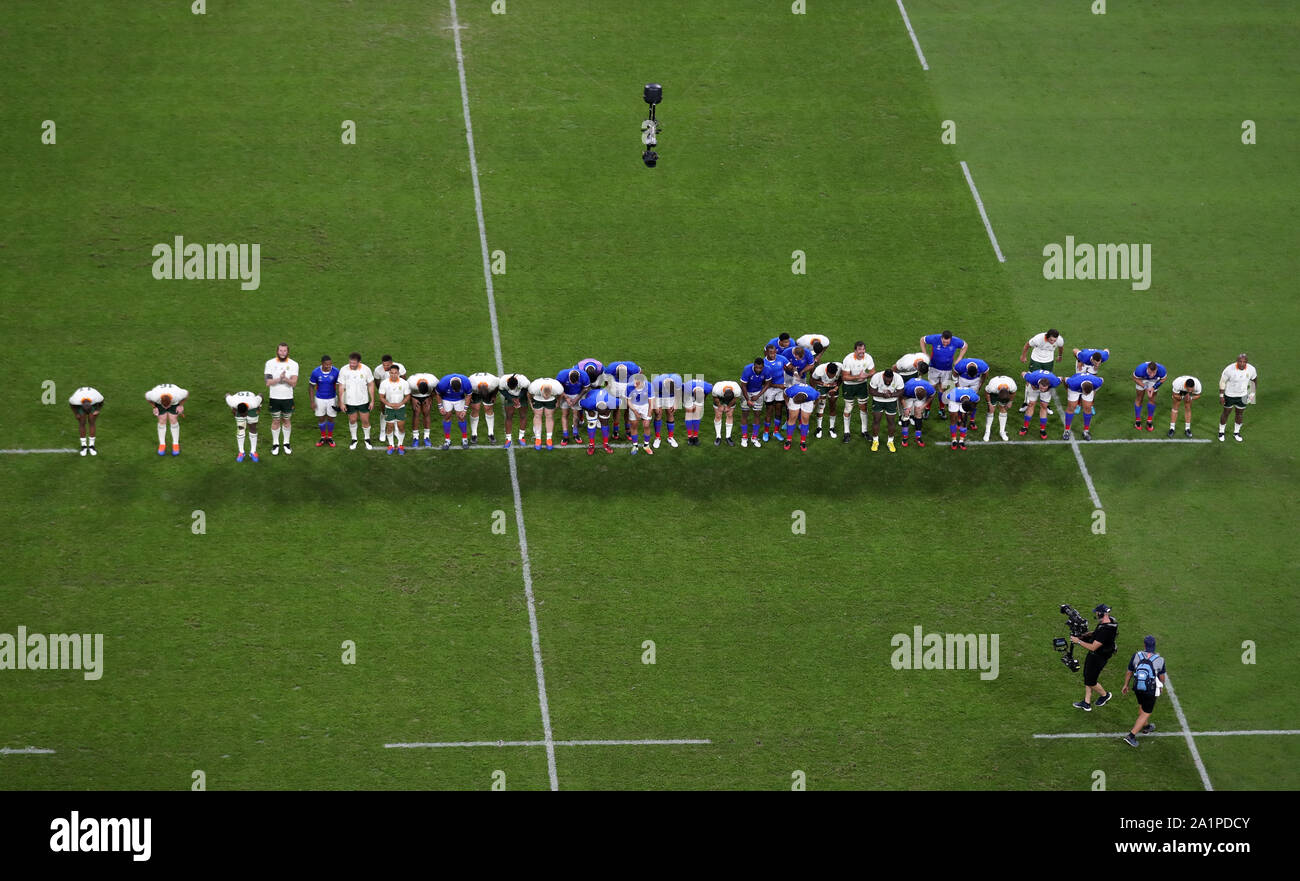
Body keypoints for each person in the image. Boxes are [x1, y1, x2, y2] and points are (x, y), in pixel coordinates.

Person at [1069, 603, 1118, 712]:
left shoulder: (1106, 630)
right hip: (1096, 655)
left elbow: (1093, 647)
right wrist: (1086, 635)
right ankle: (1086, 702)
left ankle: (1105, 695)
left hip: (1099, 657)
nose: (1095, 614)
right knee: (1087, 676)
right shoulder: (1107, 622)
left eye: (1097, 612)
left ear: (1101, 613)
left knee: (1091, 681)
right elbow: (1096, 633)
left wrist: (1079, 641)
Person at [1121, 635, 1167, 748]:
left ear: (1144, 645)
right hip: (1149, 690)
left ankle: (1146, 726)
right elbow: (1162, 677)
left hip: (1137, 687)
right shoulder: (1160, 660)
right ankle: (1131, 736)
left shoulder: (1137, 655)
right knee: (1147, 712)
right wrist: (1161, 687)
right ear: (1154, 646)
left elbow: (1129, 671)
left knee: (1142, 705)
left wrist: (1126, 685)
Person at [919, 330, 967, 418]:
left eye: (947, 342)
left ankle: (941, 409)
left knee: (942, 389)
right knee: (931, 389)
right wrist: (925, 354)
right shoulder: (935, 338)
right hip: (933, 368)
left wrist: (959, 358)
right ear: (941, 338)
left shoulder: (956, 341)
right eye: (944, 342)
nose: (945, 344)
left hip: (947, 370)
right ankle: (927, 409)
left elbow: (965, 345)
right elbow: (922, 340)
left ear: (951, 339)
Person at [264, 343, 299, 455]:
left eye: (284, 351)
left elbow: (293, 383)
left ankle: (286, 443)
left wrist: (285, 379)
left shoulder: (294, 364)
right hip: (274, 398)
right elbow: (268, 382)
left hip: (288, 398)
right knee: (275, 421)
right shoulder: (270, 363)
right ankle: (275, 444)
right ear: (277, 351)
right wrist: (280, 378)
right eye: (280, 350)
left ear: (288, 352)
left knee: (287, 421)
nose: (282, 353)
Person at [1018, 329, 1064, 413]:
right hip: (1036, 360)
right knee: (1030, 380)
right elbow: (1027, 345)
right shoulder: (1038, 338)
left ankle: (1046, 404)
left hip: (1049, 361)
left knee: (1047, 381)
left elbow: (1061, 347)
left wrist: (1060, 356)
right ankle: (1026, 402)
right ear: (1047, 337)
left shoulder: (1059, 340)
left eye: (1055, 340)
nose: (1053, 342)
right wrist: (1023, 356)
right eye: (1051, 340)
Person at [338, 352, 376, 450]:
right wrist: (341, 402)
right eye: (350, 362)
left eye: (354, 363)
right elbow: (341, 386)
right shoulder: (343, 370)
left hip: (363, 400)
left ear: (359, 362)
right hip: (350, 401)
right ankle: (354, 439)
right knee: (352, 420)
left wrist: (372, 400)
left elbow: (371, 384)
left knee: (365, 420)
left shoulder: (366, 369)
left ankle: (367, 438)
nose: (352, 365)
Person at [840, 341, 875, 442]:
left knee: (863, 408)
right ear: (855, 350)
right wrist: (857, 377)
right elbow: (845, 377)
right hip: (849, 387)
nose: (862, 352)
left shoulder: (868, 358)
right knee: (848, 409)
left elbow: (873, 371)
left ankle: (864, 431)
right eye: (860, 349)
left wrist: (866, 376)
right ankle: (847, 432)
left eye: (863, 349)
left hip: (862, 386)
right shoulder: (848, 359)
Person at [1218, 353, 1257, 443]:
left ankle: (1236, 432)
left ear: (1247, 362)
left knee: (1239, 414)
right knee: (1226, 413)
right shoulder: (1229, 369)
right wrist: (1221, 396)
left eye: (1244, 362)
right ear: (1237, 361)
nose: (1242, 363)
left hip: (1243, 395)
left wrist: (1252, 393)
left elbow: (1254, 380)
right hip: (1229, 395)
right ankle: (1221, 432)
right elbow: (1222, 382)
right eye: (1240, 361)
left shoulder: (1251, 369)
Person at [867, 367, 904, 452]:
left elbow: (901, 391)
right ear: (883, 376)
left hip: (891, 402)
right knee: (876, 420)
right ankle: (875, 440)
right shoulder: (876, 377)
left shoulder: (898, 378)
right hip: (878, 401)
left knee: (891, 421)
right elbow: (871, 391)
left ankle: (890, 441)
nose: (888, 382)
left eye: (890, 381)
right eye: (886, 381)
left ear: (892, 377)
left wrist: (892, 395)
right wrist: (882, 395)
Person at [145, 383, 188, 456]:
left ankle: (175, 444)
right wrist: (154, 407)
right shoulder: (154, 396)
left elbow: (186, 393)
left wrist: (180, 405)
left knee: (173, 419)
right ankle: (162, 444)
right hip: (160, 401)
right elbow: (147, 396)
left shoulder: (178, 395)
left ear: (171, 401)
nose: (166, 408)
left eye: (168, 406)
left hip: (174, 402)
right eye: (164, 407)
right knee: (162, 420)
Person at [371, 355, 406, 442]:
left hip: (397, 393)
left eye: (387, 365)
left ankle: (396, 430)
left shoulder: (400, 367)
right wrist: (383, 393)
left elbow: (404, 381)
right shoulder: (378, 370)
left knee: (397, 411)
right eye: (384, 365)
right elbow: (377, 383)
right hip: (385, 393)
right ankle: (383, 431)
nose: (385, 367)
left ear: (392, 363)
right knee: (384, 411)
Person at [377, 364, 411, 454]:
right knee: (390, 427)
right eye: (391, 373)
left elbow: (408, 396)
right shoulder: (384, 383)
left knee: (401, 427)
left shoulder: (404, 383)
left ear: (398, 373)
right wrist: (389, 404)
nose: (393, 375)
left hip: (401, 408)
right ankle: (391, 445)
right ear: (389, 373)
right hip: (389, 408)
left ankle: (400, 445)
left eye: (395, 373)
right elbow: (381, 397)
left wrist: (400, 403)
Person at [1018, 370, 1061, 440]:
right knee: (1031, 405)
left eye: (1044, 388)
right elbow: (1023, 373)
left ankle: (1042, 430)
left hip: (1045, 388)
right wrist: (1028, 382)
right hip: (1033, 387)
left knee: (1044, 406)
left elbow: (1061, 378)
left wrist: (1046, 389)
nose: (1042, 390)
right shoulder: (1031, 378)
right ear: (1039, 384)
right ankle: (1025, 427)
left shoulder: (1054, 381)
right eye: (1041, 388)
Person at [308, 355, 340, 447]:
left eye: (330, 364)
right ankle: (323, 437)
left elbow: (338, 386)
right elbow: (311, 387)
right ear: (322, 364)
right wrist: (312, 402)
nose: (329, 366)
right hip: (319, 399)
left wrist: (339, 401)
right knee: (321, 418)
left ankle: (329, 437)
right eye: (326, 364)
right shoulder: (316, 372)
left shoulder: (336, 371)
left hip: (332, 398)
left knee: (331, 418)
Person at [435, 373, 472, 450]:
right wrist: (440, 407)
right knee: (447, 417)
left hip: (460, 399)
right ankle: (447, 440)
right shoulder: (443, 383)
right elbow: (438, 394)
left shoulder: (466, 382)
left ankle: (464, 439)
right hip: (446, 399)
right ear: (451, 385)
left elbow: (468, 395)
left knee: (461, 417)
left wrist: (465, 410)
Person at [739, 357, 770, 448]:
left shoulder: (767, 370)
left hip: (758, 392)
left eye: (760, 368)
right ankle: (744, 437)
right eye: (756, 367)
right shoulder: (747, 370)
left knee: (757, 414)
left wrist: (758, 395)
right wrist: (748, 399)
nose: (758, 370)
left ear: (763, 366)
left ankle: (754, 437)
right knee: (745, 413)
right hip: (746, 392)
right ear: (754, 365)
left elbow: (768, 384)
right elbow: (743, 386)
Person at [1063, 373, 1104, 441]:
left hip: (1088, 387)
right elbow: (1065, 379)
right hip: (1074, 389)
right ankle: (1066, 430)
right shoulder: (1073, 383)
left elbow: (1102, 379)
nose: (1085, 394)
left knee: (1088, 408)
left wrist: (1095, 391)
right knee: (1071, 407)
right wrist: (1067, 389)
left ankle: (1086, 431)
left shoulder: (1097, 382)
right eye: (1085, 393)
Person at [225, 390, 263, 462]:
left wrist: (259, 407)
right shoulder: (232, 402)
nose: (243, 416)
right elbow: (227, 394)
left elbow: (261, 394)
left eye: (244, 415)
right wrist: (232, 408)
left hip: (252, 408)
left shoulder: (254, 403)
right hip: (238, 403)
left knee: (252, 427)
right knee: (241, 428)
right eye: (241, 415)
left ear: (247, 411)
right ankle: (241, 452)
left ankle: (253, 452)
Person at [527, 376, 563, 450]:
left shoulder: (558, 388)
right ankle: (538, 439)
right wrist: (530, 403)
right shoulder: (534, 387)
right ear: (541, 391)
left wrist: (558, 402)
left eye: (547, 396)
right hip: (537, 398)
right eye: (544, 396)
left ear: (552, 392)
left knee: (549, 416)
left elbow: (561, 394)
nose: (545, 398)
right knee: (537, 416)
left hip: (551, 400)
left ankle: (549, 439)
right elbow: (529, 394)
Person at [556, 367, 589, 447]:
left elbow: (586, 388)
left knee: (576, 415)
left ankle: (575, 433)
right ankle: (565, 435)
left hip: (577, 394)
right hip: (564, 394)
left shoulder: (584, 375)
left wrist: (576, 399)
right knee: (565, 414)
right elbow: (558, 388)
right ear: (569, 377)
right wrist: (566, 398)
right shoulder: (562, 374)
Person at [810, 359, 843, 439]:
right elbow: (813, 380)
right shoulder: (819, 370)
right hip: (822, 387)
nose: (832, 377)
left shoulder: (841, 367)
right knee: (821, 406)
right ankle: (819, 428)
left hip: (834, 387)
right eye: (830, 375)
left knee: (832, 406)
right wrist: (824, 384)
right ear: (826, 372)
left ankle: (832, 428)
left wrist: (836, 388)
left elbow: (841, 378)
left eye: (834, 375)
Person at [625, 372, 656, 455]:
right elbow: (628, 401)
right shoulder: (629, 386)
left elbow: (651, 403)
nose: (635, 384)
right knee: (634, 425)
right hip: (634, 406)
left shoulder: (649, 386)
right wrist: (635, 412)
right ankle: (635, 445)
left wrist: (649, 416)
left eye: (637, 383)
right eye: (635, 382)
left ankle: (646, 445)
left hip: (645, 406)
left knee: (646, 425)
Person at [1132, 360, 1167, 432]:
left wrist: (1154, 387)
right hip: (1142, 379)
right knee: (1139, 398)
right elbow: (1135, 378)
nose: (1152, 374)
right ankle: (1137, 421)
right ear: (1147, 369)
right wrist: (1145, 387)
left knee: (1152, 399)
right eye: (1150, 372)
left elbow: (1163, 379)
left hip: (1153, 381)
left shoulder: (1161, 370)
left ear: (1157, 369)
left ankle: (1149, 421)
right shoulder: (1140, 369)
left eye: (1154, 372)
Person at [68, 386, 104, 457]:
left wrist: (97, 410)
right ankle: (83, 446)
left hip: (91, 401)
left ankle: (91, 446)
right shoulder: (75, 400)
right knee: (82, 423)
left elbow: (102, 401)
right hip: (81, 402)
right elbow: (71, 405)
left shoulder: (97, 398)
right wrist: (76, 414)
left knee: (92, 422)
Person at [406, 371, 439, 447]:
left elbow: (438, 390)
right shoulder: (410, 382)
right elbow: (406, 392)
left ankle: (426, 437)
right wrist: (412, 399)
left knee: (426, 412)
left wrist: (430, 397)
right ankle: (415, 437)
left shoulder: (433, 380)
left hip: (428, 396)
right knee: (416, 413)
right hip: (414, 395)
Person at [941, 386, 980, 450]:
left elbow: (976, 401)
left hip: (964, 399)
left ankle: (961, 441)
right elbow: (945, 400)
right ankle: (954, 440)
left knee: (964, 420)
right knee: (953, 419)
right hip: (953, 401)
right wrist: (950, 408)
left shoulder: (974, 397)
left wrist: (971, 410)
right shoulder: (952, 395)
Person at [579, 387, 617, 454]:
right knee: (591, 424)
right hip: (592, 401)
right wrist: (588, 410)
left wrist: (609, 410)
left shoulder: (613, 401)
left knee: (605, 422)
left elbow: (619, 404)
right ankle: (591, 445)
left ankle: (606, 444)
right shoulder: (588, 403)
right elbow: (580, 403)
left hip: (605, 403)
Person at [467, 371, 501, 445]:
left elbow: (497, 385)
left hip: (488, 390)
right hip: (474, 391)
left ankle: (491, 433)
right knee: (475, 409)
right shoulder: (471, 383)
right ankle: (474, 434)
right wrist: (469, 397)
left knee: (488, 408)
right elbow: (466, 388)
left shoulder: (493, 383)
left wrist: (493, 395)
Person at [782, 384, 819, 452]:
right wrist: (787, 402)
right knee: (792, 418)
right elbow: (784, 393)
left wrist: (814, 405)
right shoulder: (791, 391)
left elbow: (817, 398)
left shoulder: (813, 394)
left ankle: (803, 442)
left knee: (805, 419)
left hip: (808, 400)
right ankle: (788, 440)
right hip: (795, 397)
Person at [900, 376, 935, 447]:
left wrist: (923, 406)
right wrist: (905, 408)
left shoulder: (929, 388)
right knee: (906, 416)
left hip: (919, 396)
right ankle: (905, 437)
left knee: (918, 413)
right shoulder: (907, 388)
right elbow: (900, 397)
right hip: (908, 396)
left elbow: (932, 396)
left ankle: (918, 437)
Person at [498, 372, 531, 448]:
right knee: (509, 416)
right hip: (510, 396)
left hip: (522, 396)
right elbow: (501, 390)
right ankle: (508, 439)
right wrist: (511, 398)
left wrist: (518, 398)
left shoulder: (524, 382)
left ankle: (521, 437)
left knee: (523, 415)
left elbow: (526, 389)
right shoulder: (502, 381)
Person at [982, 374, 1017, 442]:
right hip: (993, 393)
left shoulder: (1012, 386)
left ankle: (1002, 431)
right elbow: (986, 393)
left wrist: (1010, 402)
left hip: (1004, 392)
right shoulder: (992, 387)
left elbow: (1013, 393)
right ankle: (987, 432)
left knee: (1003, 409)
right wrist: (989, 404)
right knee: (991, 410)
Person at [652, 372, 683, 448]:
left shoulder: (678, 380)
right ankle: (657, 438)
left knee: (670, 413)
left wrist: (676, 404)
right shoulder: (656, 382)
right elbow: (653, 395)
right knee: (658, 414)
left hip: (671, 396)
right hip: (658, 394)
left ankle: (670, 437)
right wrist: (655, 406)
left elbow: (678, 393)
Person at [681, 378, 712, 446]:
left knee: (696, 414)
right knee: (689, 413)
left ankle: (695, 436)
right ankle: (689, 437)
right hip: (688, 395)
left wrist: (703, 399)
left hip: (699, 393)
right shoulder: (686, 387)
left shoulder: (708, 388)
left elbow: (706, 394)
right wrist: (684, 403)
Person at [711, 380, 741, 446]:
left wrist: (729, 406)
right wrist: (719, 405)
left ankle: (728, 437)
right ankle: (718, 437)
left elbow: (735, 399)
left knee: (729, 415)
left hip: (731, 398)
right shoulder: (716, 389)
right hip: (719, 397)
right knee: (718, 415)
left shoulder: (737, 390)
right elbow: (714, 397)